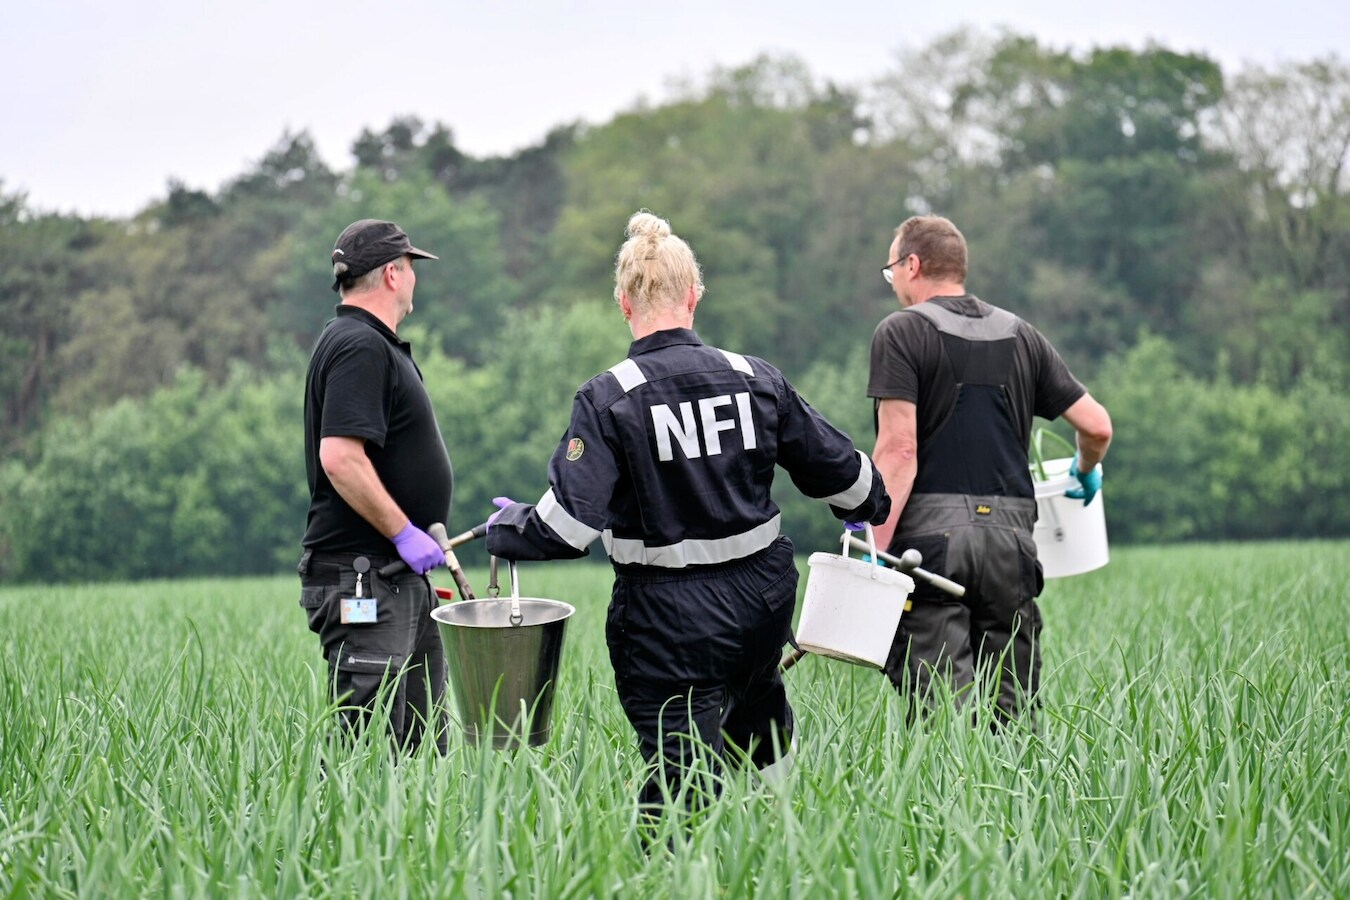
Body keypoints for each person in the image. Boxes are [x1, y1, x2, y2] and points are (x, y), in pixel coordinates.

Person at [487, 210, 891, 826]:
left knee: (678, 777)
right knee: (759, 717)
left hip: (668, 620)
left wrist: (508, 526)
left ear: (624, 302)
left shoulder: (608, 397)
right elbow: (851, 481)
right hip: (762, 604)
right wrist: (867, 511)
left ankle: (673, 871)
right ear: (694, 296)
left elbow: (567, 529)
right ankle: (784, 847)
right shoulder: (756, 378)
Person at [868, 215, 1112, 726]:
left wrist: (876, 554)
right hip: (1012, 545)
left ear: (912, 265)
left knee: (942, 719)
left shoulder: (901, 333)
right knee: (1014, 713)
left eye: (891, 272)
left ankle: (949, 807)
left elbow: (898, 453)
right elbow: (1096, 427)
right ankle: (1018, 808)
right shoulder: (1023, 335)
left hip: (931, 545)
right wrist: (1084, 471)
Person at [297, 219, 453, 755]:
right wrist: (405, 531)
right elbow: (339, 457)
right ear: (391, 274)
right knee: (367, 755)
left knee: (422, 749)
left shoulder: (364, 342)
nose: (413, 279)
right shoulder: (359, 344)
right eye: (410, 267)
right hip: (366, 578)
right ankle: (344, 842)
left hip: (394, 576)